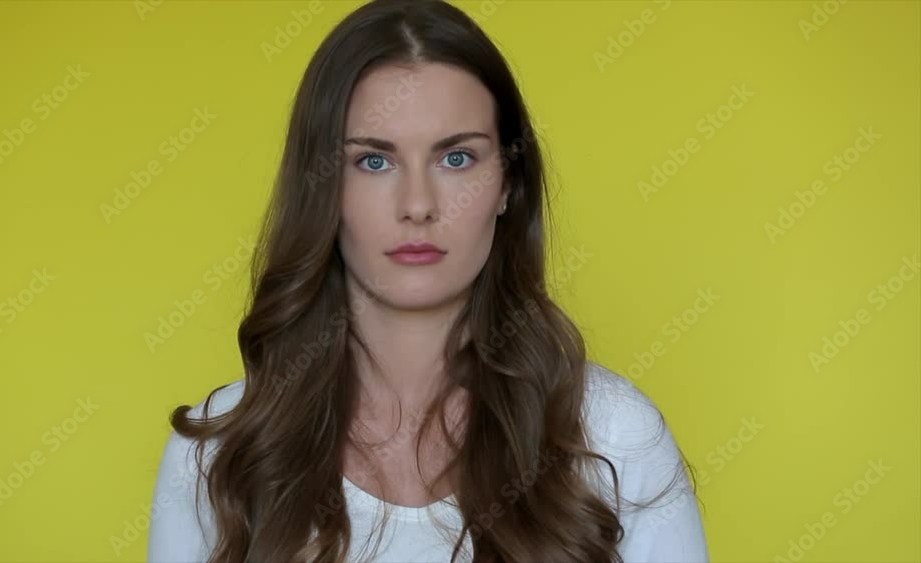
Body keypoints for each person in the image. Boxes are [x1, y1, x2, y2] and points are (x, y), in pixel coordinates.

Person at [147, 1, 709, 561]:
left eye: (457, 158)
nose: (417, 204)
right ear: (323, 187)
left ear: (508, 185)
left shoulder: (617, 436)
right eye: (374, 162)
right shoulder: (216, 453)